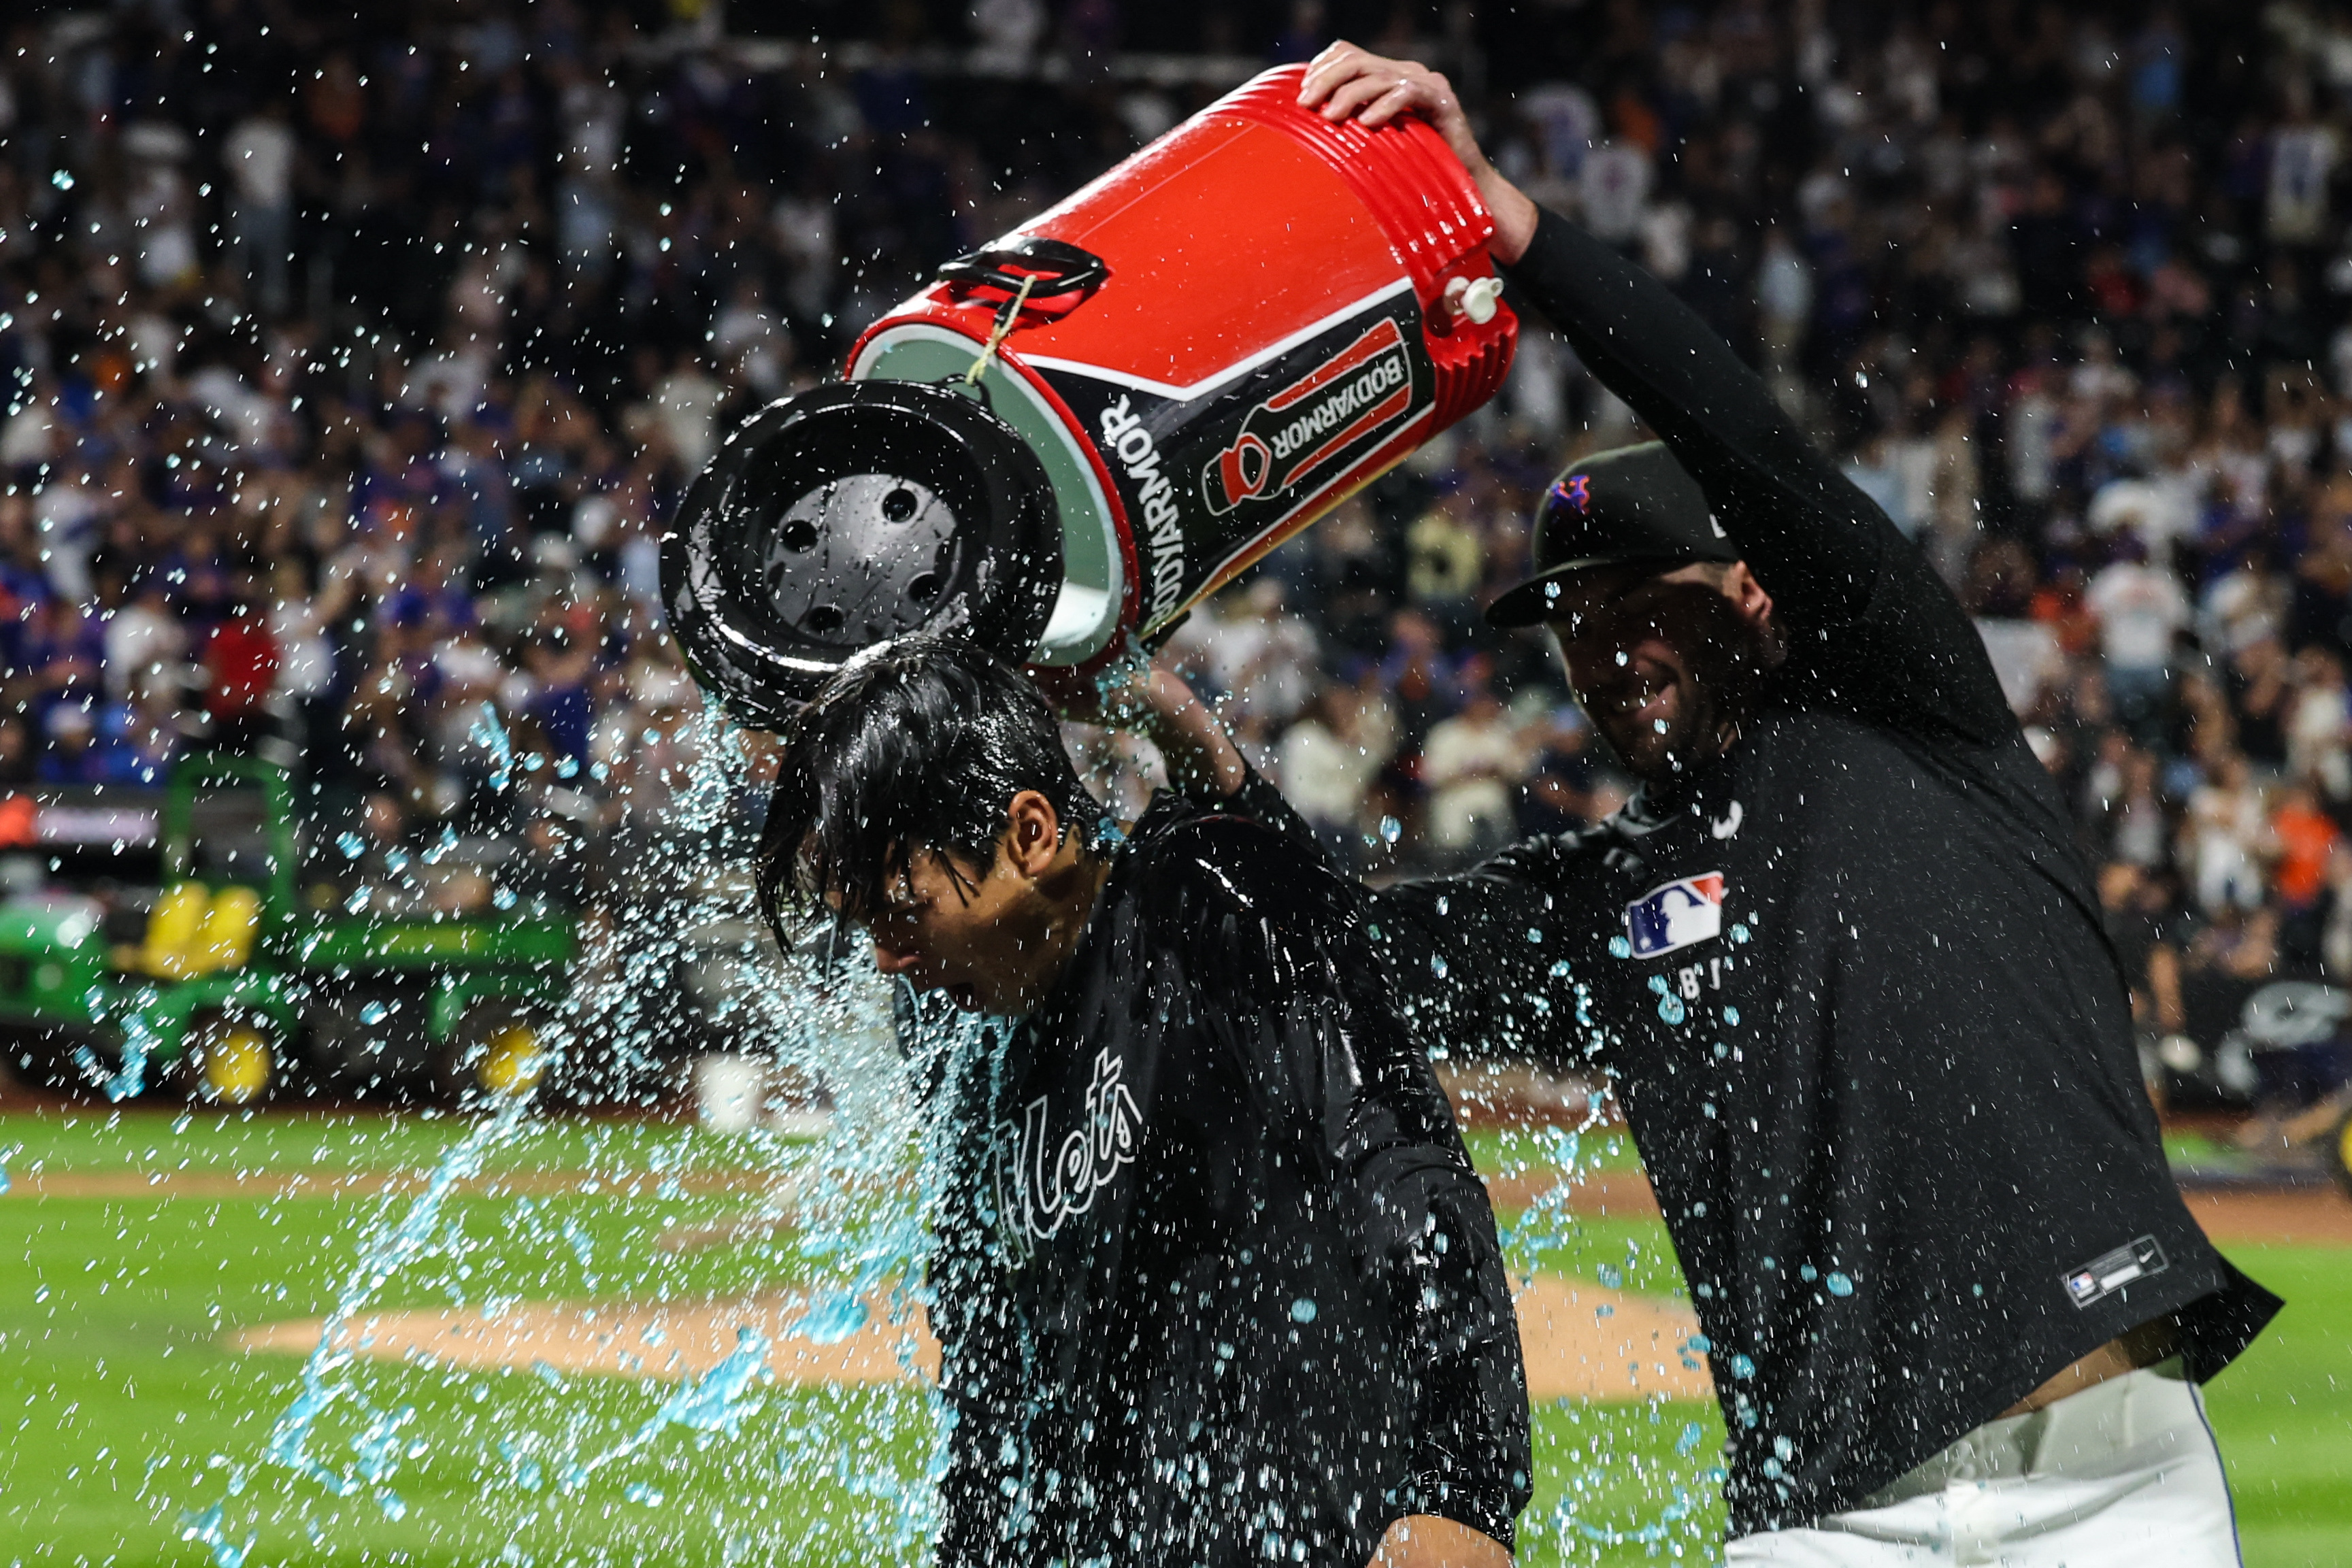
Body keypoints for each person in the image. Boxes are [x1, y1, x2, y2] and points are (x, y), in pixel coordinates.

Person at [1278, 43, 2280, 1567]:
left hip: (2105, 1487)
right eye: (1573, 627)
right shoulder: (1593, 906)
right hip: (1829, 1524)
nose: (1608, 653)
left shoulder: (1907, 706)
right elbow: (1325, 945)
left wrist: (1518, 235)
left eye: (1642, 602)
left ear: (1752, 580)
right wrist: (1172, 773)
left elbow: (1743, 429)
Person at [754, 637, 1530, 1568]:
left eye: (900, 909)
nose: (887, 955)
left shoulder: (1199, 899)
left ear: (1030, 833)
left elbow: (1402, 1160)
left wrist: (1459, 1496)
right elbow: (992, 1386)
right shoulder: (963, 1045)